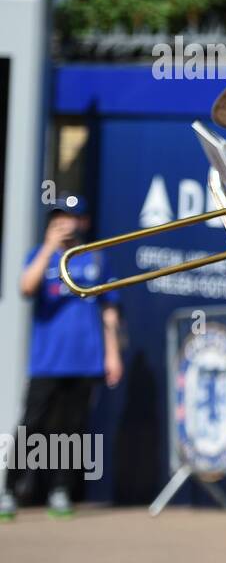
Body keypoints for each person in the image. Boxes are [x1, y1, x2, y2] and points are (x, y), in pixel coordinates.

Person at [0, 196, 122, 520]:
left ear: (81, 221)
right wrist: (47, 247)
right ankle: (10, 491)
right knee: (32, 425)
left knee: (73, 429)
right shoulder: (38, 256)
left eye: (70, 217)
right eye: (58, 217)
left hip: (86, 359)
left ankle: (61, 490)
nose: (63, 223)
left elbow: (108, 307)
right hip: (47, 361)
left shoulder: (95, 259)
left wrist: (112, 353)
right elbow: (26, 288)